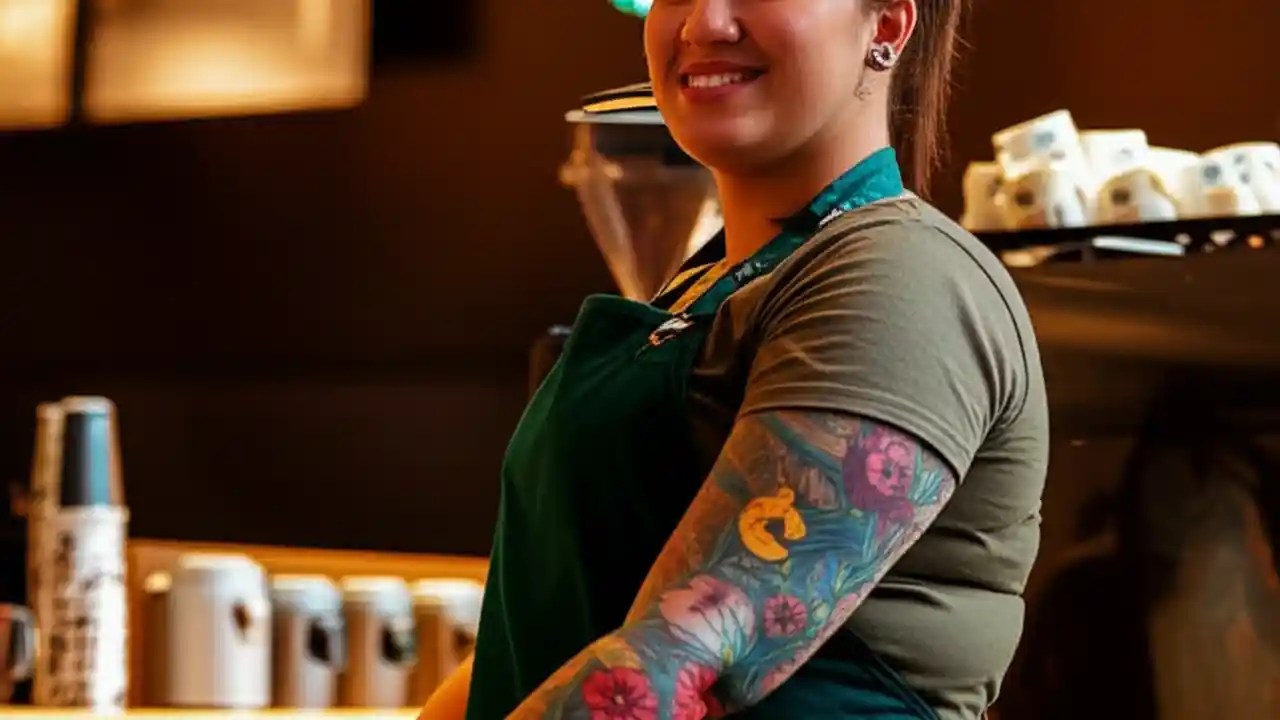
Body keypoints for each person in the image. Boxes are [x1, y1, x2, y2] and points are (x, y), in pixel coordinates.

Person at [422, 0, 1048, 717]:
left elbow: (677, 665)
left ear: (887, 24)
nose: (703, 24)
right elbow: (535, 636)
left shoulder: (903, 277)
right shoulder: (704, 287)